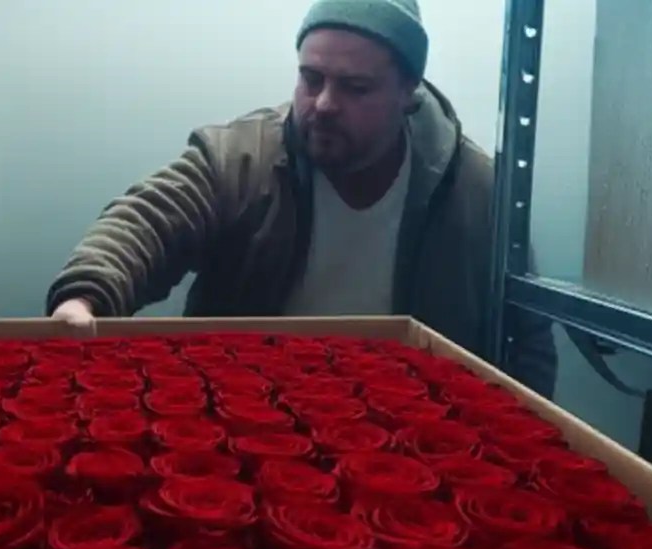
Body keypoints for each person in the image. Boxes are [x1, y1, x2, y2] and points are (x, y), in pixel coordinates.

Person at [46, 0, 556, 396]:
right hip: (241, 416)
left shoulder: (478, 195)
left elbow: (525, 344)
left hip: (409, 443)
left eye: (355, 87)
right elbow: (150, 219)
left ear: (409, 92)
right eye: (311, 79)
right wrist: (84, 296)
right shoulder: (239, 157)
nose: (324, 105)